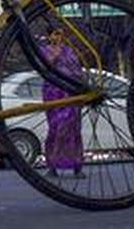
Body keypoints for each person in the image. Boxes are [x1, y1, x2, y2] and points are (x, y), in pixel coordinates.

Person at [42, 29, 84, 178]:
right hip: (54, 93)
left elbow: (77, 69)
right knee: (55, 128)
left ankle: (77, 166)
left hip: (70, 91)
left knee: (72, 128)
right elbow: (46, 66)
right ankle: (52, 165)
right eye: (54, 33)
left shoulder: (70, 51)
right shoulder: (45, 51)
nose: (57, 37)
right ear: (49, 36)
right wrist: (56, 54)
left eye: (60, 34)